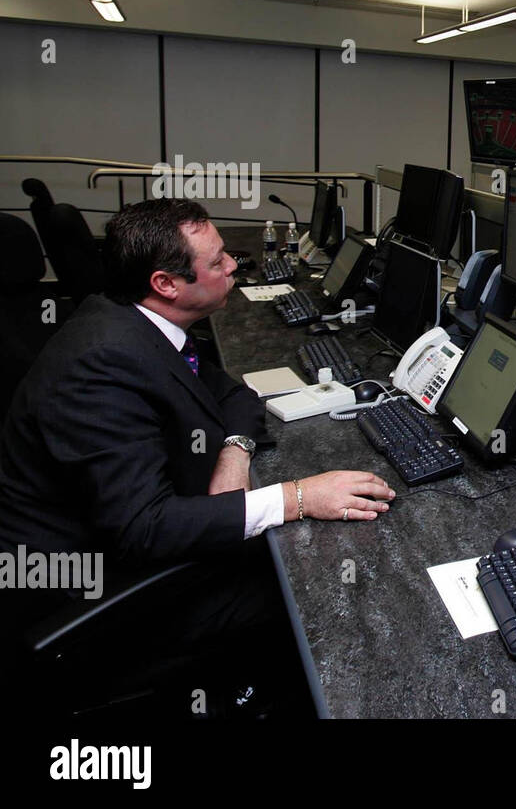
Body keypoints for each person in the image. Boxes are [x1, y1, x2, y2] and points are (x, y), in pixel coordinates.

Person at [0, 198, 392, 706]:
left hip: (126, 538)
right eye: (218, 262)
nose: (234, 266)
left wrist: (234, 452)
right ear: (166, 283)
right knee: (320, 588)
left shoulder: (139, 323)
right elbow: (146, 530)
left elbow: (233, 396)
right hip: (98, 591)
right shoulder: (99, 368)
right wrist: (297, 497)